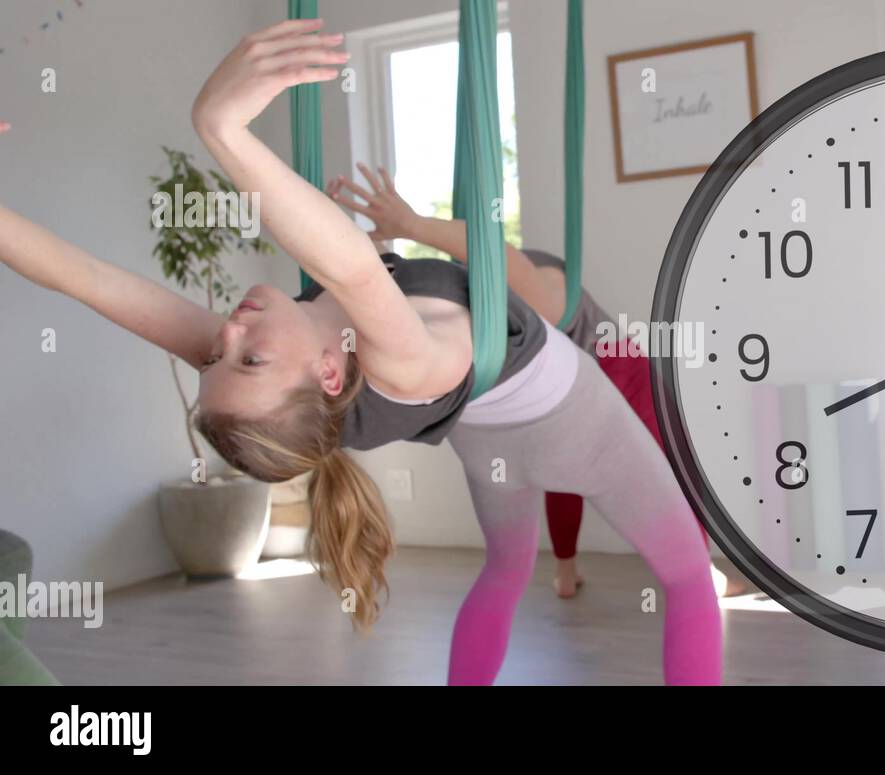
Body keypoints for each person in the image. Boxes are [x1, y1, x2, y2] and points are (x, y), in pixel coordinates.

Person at [0, 19, 721, 685]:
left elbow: (90, 282)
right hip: (576, 421)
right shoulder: (397, 363)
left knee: (504, 569)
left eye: (215, 358)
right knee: (688, 577)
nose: (225, 337)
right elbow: (350, 264)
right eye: (248, 359)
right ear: (330, 371)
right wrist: (219, 127)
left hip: (490, 441)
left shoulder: (289, 372)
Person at [325, 167, 748, 599]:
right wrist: (393, 232)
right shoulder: (481, 308)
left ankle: (668, 571)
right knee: (576, 469)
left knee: (645, 466)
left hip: (612, 362)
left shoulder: (516, 293)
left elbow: (482, 264)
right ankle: (587, 572)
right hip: (582, 371)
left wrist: (392, 229)